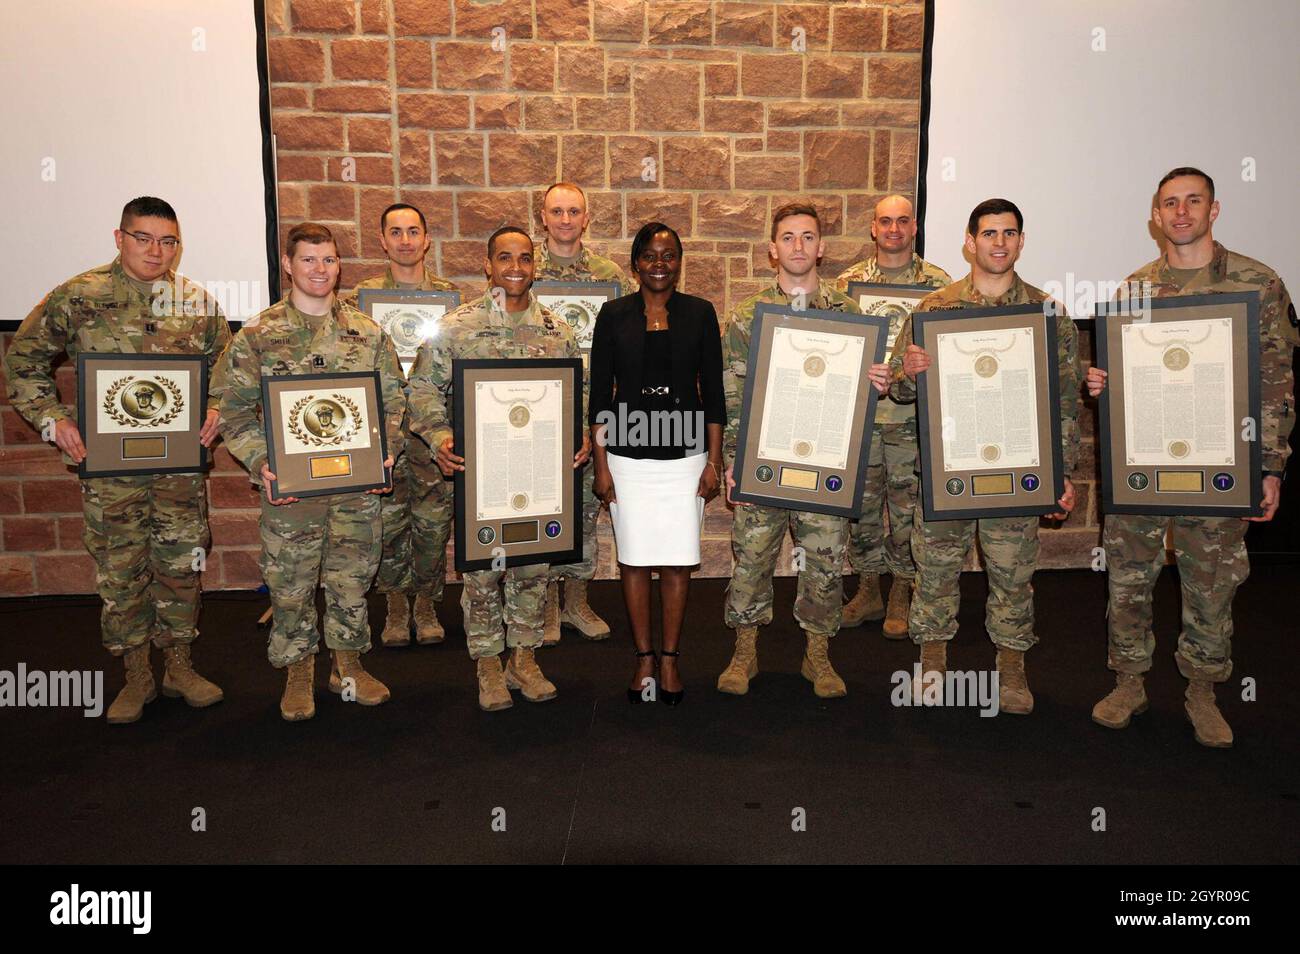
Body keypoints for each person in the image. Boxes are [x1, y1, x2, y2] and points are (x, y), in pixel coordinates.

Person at [1086, 167, 1297, 747]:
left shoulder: (1259, 283)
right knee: (1129, 577)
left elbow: (1277, 382)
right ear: (1156, 216)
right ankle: (1129, 681)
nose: (1181, 213)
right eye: (1170, 203)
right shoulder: (1134, 290)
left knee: (1212, 579)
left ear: (1214, 209)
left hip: (1222, 463)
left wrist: (1271, 466)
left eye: (1193, 201)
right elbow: (1122, 377)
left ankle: (1202, 690)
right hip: (1145, 464)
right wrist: (1105, 384)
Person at [5, 196, 229, 724]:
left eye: (168, 240)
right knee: (121, 569)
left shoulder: (196, 302)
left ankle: (178, 664)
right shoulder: (79, 298)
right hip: (111, 472)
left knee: (180, 564)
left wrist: (220, 407)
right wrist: (52, 420)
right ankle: (136, 674)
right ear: (119, 238)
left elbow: (229, 369)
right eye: (143, 238)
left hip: (178, 470)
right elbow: (23, 362)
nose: (157, 251)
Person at [893, 198, 1079, 715]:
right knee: (934, 567)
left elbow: (1063, 402)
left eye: (1009, 233)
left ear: (1021, 242)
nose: (999, 243)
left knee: (1012, 571)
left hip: (1014, 469)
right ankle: (932, 657)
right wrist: (909, 372)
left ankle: (1012, 666)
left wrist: (1062, 474)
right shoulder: (934, 311)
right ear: (970, 242)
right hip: (947, 466)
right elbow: (901, 394)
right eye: (989, 233)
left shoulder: (1048, 314)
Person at [215, 222, 403, 722]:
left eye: (329, 260)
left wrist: (388, 450)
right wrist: (262, 463)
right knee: (291, 583)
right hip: (291, 491)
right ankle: (298, 671)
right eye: (309, 260)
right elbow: (233, 413)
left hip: (355, 486)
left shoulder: (367, 333)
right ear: (288, 266)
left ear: (339, 265)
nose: (320, 270)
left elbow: (394, 402)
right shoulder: (257, 335)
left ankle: (347, 665)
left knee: (352, 579)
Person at [406, 227, 591, 712]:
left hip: (535, 473)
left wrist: (583, 433)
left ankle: (524, 658)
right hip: (482, 475)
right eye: (504, 257)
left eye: (525, 258)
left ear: (535, 266)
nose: (515, 266)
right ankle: (488, 664)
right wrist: (440, 436)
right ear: (487, 265)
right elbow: (421, 389)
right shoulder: (456, 328)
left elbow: (579, 393)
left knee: (532, 567)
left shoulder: (558, 331)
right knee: (484, 572)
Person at [718, 203, 891, 698]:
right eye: (788, 238)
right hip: (763, 462)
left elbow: (863, 397)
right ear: (773, 249)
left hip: (826, 463)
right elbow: (731, 393)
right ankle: (744, 650)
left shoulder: (850, 315)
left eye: (808, 237)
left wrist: (876, 381)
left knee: (824, 559)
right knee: (751, 556)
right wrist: (733, 462)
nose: (798, 246)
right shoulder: (748, 316)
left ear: (822, 247)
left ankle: (818, 654)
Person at [589, 222, 725, 706]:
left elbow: (713, 393)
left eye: (669, 255)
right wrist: (601, 465)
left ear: (679, 262)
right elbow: (600, 396)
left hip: (685, 457)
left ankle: (670, 658)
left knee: (677, 560)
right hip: (626, 457)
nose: (660, 263)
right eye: (650, 255)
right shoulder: (612, 315)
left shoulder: (700, 314)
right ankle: (642, 657)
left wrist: (714, 460)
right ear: (635, 263)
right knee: (634, 558)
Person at [341, 203, 458, 648]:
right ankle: (393, 603)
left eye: (414, 232)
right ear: (383, 240)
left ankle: (426, 602)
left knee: (432, 520)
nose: (406, 240)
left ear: (427, 240)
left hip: (432, 428)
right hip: (383, 428)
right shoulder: (360, 301)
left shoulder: (450, 299)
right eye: (396, 232)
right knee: (388, 519)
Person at [836, 195, 952, 636]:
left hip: (912, 420)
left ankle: (902, 588)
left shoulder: (939, 287)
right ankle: (868, 588)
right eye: (885, 221)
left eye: (903, 221)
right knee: (861, 511)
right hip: (862, 418)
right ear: (872, 227)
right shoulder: (848, 285)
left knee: (907, 511)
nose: (894, 230)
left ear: (915, 227)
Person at [534, 182, 634, 644]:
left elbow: (628, 342)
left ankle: (576, 600)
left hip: (595, 411)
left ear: (586, 217)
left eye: (574, 211)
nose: (566, 219)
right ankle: (545, 606)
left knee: (587, 507)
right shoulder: (523, 270)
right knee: (544, 504)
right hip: (536, 412)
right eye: (557, 211)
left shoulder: (608, 275)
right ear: (543, 216)